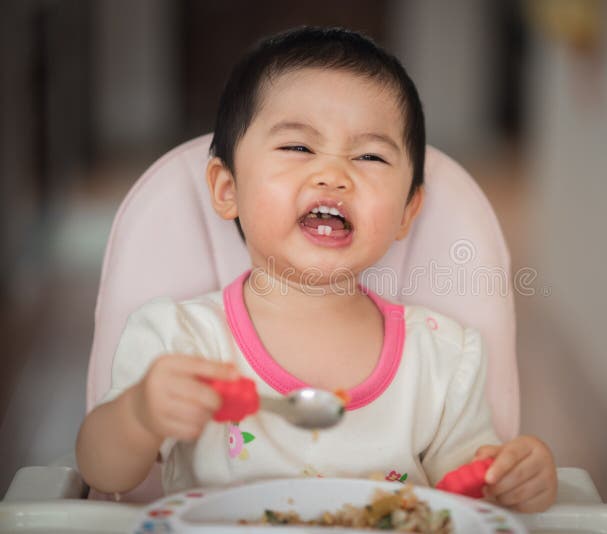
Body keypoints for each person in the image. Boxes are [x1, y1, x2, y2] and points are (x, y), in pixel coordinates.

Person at [75, 26, 557, 512]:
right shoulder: (180, 340)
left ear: (407, 212)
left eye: (370, 156)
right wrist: (139, 414)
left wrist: (509, 477)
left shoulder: (442, 357)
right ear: (227, 189)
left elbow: (469, 491)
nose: (334, 175)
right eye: (298, 148)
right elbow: (102, 474)